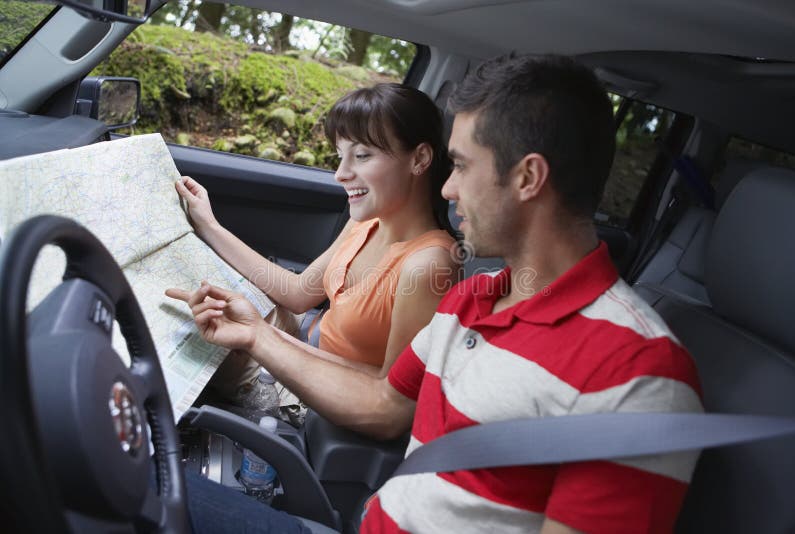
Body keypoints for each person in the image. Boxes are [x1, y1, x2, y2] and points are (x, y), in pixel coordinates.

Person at [169, 54, 703, 533]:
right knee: (128, 467)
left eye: (463, 166)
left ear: (528, 178)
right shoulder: (475, 302)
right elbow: (383, 402)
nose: (447, 187)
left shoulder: (638, 376)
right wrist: (257, 335)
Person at [174, 83, 459, 407]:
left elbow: (390, 396)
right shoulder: (367, 220)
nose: (340, 174)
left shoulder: (429, 265)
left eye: (362, 156)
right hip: (305, 337)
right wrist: (209, 226)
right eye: (341, 157)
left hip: (319, 389)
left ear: (419, 158)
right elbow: (298, 294)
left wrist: (264, 339)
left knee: (179, 335)